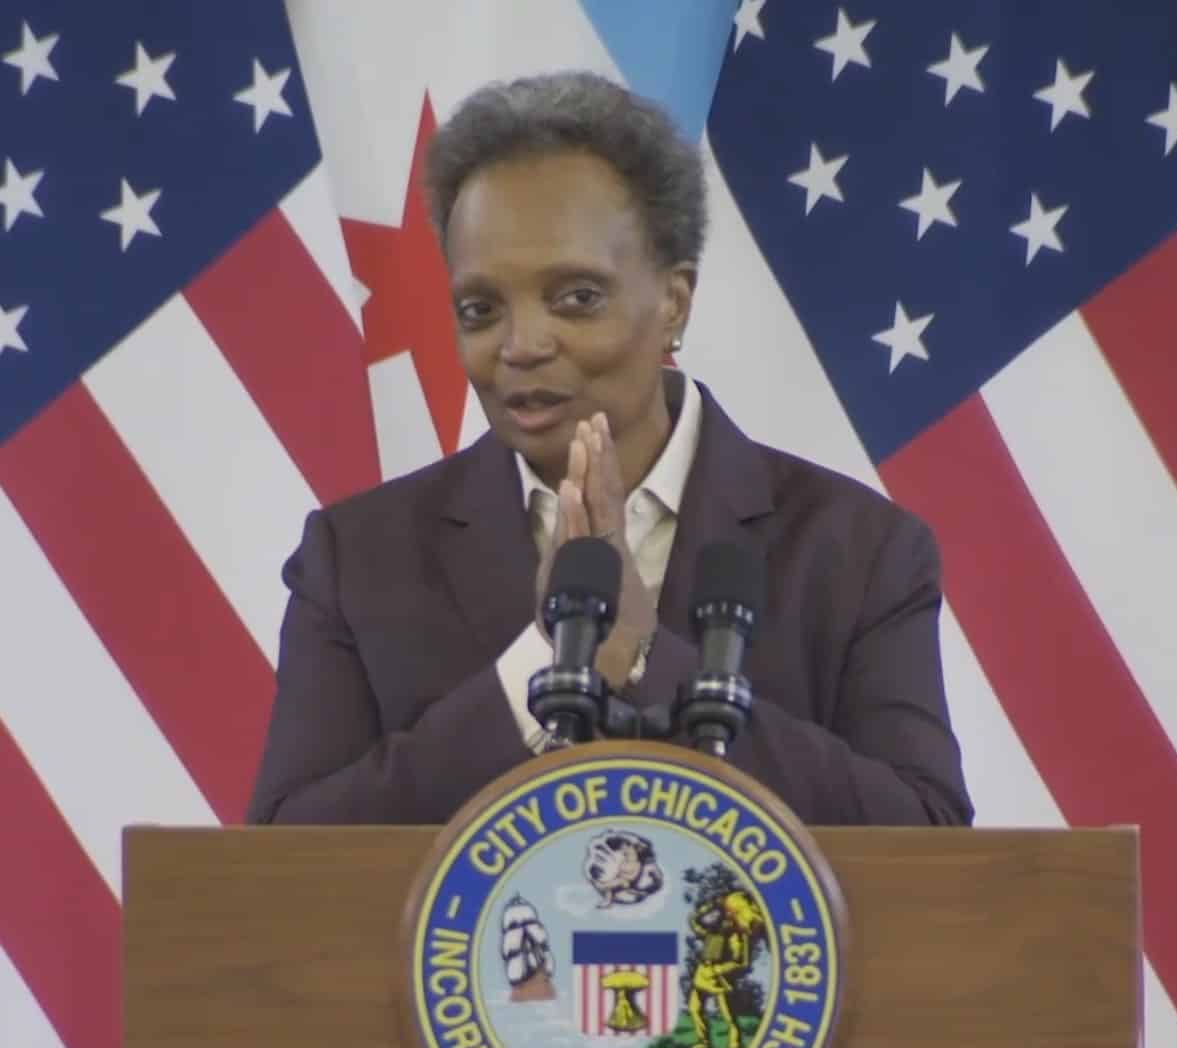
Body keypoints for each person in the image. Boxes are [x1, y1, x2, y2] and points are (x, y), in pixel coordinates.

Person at [246, 71, 972, 829]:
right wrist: (542, 663)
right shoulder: (357, 557)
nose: (521, 345)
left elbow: (924, 837)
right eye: (480, 308)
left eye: (576, 298)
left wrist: (646, 656)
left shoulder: (856, 550)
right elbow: (282, 857)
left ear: (673, 303)